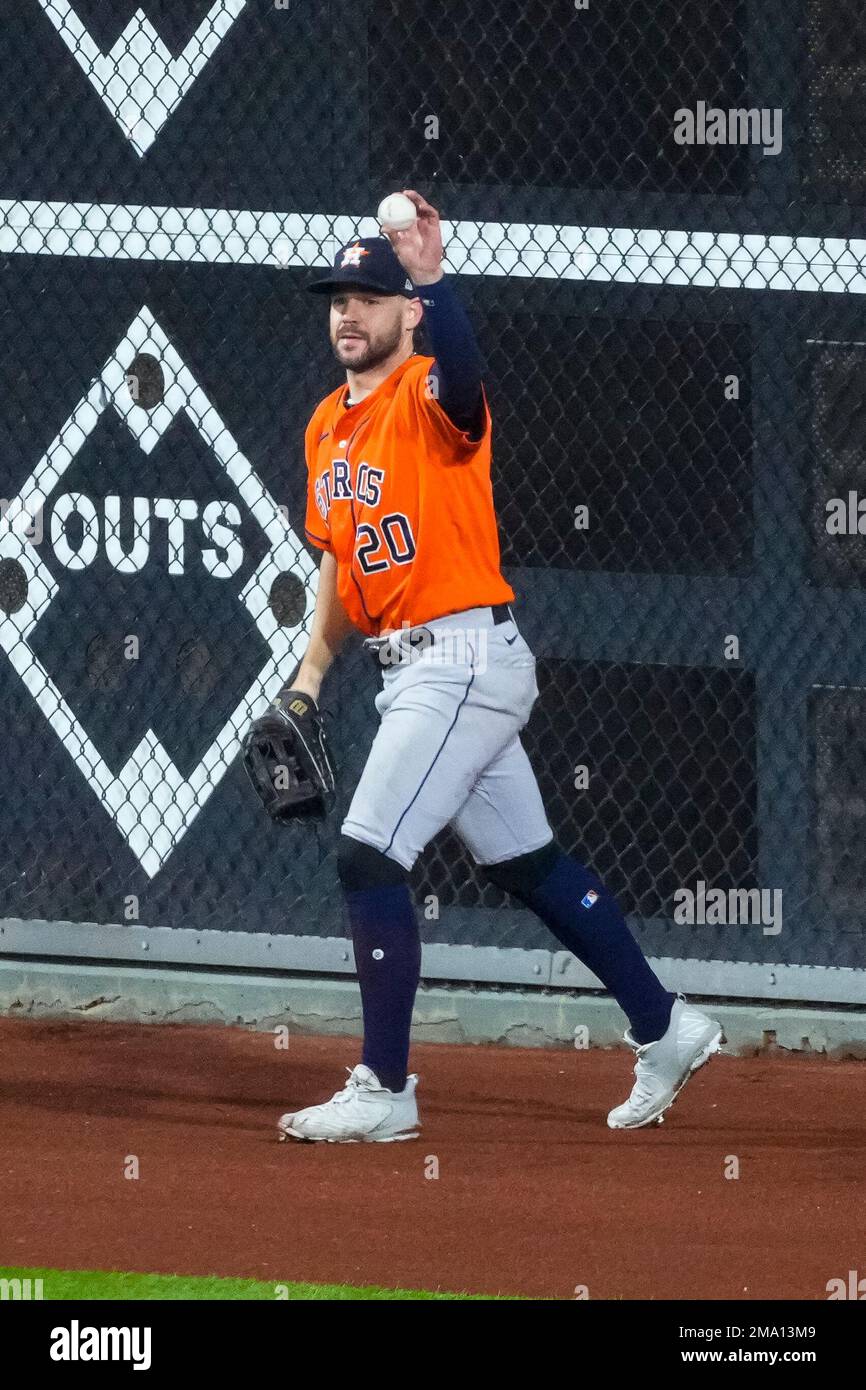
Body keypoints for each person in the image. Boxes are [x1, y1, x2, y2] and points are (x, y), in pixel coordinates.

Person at [277, 191, 723, 1142]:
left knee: (366, 853)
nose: (348, 312)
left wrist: (438, 279)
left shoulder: (433, 396)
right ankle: (666, 1024)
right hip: (414, 668)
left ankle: (386, 1088)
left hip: (462, 659)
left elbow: (469, 381)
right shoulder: (325, 426)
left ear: (407, 315)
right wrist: (308, 677)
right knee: (529, 865)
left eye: (370, 296)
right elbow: (339, 565)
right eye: (338, 297)